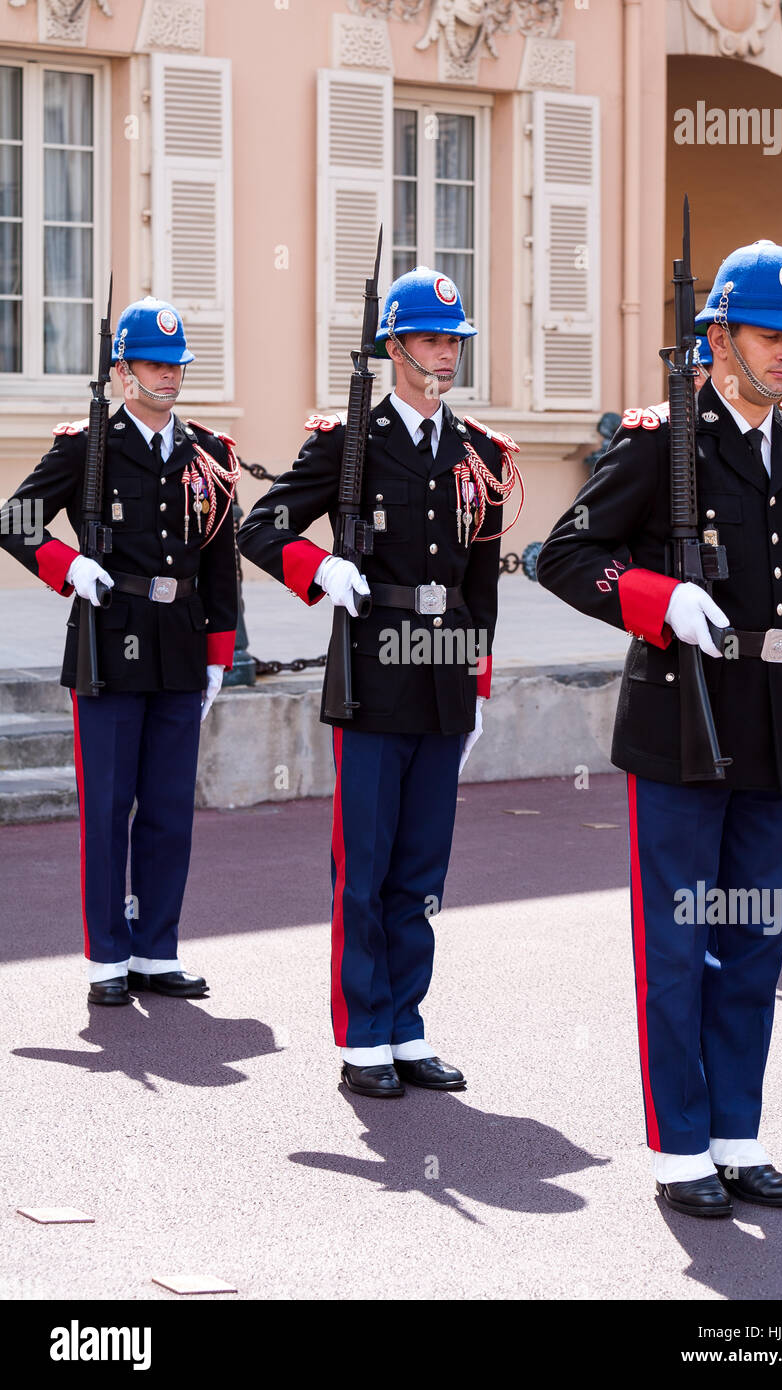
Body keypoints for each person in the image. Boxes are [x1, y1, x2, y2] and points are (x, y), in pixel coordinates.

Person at [537, 241, 782, 1218]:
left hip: (772, 723)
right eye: (766, 336)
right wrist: (656, 597)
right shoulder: (656, 442)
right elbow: (562, 555)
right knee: (678, 943)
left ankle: (737, 1135)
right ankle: (680, 1147)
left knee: (753, 940)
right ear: (715, 333)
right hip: (679, 719)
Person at [238, 267, 521, 1098]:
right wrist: (321, 567)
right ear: (393, 348)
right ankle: (364, 1035)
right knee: (364, 863)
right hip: (371, 673)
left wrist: (476, 684)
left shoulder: (480, 454)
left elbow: (482, 583)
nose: (445, 354)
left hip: (441, 679)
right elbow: (263, 527)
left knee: (423, 868)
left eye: (454, 342)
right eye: (431, 340)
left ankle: (407, 1023)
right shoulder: (347, 443)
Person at [0, 297, 240, 1005]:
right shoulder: (86, 445)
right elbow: (13, 520)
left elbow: (219, 560)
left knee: (169, 807)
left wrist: (221, 651)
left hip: (180, 645)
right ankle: (108, 956)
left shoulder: (211, 454)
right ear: (121, 370)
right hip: (107, 640)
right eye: (154, 365)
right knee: (109, 806)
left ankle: (156, 949)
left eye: (177, 366)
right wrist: (66, 564)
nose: (168, 378)